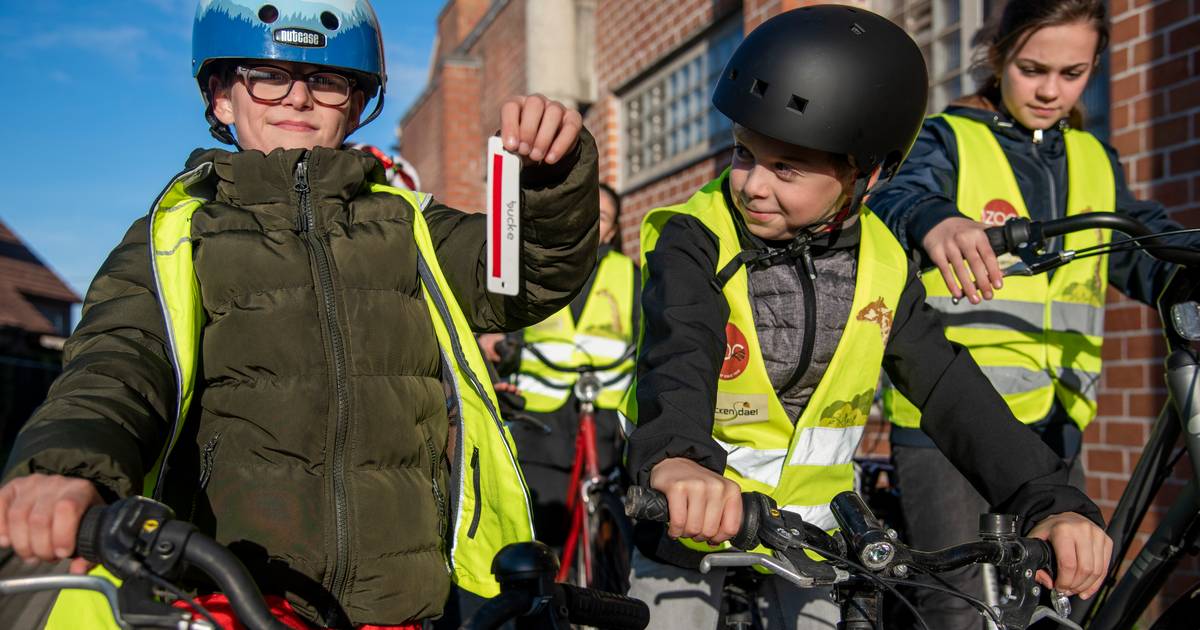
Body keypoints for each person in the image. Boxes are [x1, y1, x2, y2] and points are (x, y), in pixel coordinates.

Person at [0, 1, 598, 628]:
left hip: (398, 605)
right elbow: (116, 364)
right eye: (268, 75)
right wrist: (67, 467)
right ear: (222, 97)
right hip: (225, 593)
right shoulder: (176, 234)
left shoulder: (411, 226)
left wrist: (554, 178)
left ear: (357, 100)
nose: (298, 98)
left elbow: (528, 276)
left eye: (326, 79)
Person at [620, 6, 1112, 629]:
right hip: (688, 515)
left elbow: (950, 390)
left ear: (868, 173)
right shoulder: (698, 237)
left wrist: (1051, 499)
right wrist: (677, 460)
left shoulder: (882, 261)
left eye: (787, 168)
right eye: (744, 152)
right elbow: (679, 351)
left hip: (816, 530)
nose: (750, 186)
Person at [866, 0, 1200, 626]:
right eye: (1032, 68)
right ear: (998, 57)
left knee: (1048, 599)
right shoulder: (948, 137)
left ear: (1095, 65)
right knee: (956, 603)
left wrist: (1183, 267)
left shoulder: (1098, 159)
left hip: (1056, 420)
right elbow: (897, 197)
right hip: (951, 423)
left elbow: (1140, 248)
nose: (1051, 90)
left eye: (1072, 73)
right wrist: (935, 220)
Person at [479, 183, 637, 569]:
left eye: (600, 217)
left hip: (607, 426)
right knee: (540, 541)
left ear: (613, 231)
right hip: (542, 425)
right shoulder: (533, 268)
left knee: (612, 542)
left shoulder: (631, 274)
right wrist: (499, 346)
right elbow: (497, 332)